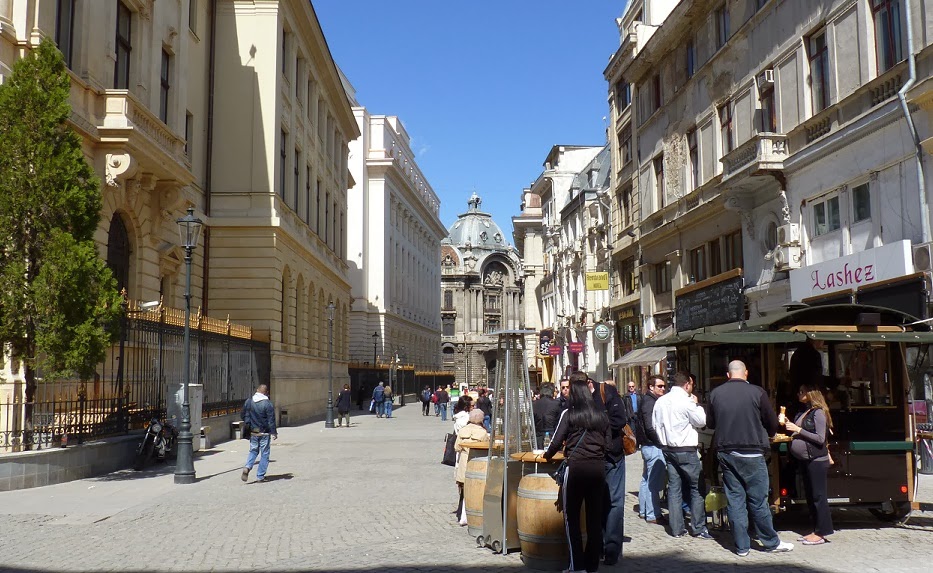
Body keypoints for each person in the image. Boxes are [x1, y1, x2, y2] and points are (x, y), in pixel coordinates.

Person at [708, 360, 793, 556]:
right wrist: (770, 432)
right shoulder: (757, 392)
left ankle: (741, 546)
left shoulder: (715, 393)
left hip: (727, 452)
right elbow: (771, 422)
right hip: (753, 452)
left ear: (728, 375)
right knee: (758, 500)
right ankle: (770, 542)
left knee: (735, 499)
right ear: (745, 373)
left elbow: (710, 423)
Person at [544, 371, 610, 573]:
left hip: (576, 468)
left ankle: (577, 565)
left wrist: (547, 455)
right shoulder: (601, 415)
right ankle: (592, 565)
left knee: (571, 518)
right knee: (594, 518)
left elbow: (556, 441)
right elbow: (607, 444)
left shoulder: (569, 414)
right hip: (597, 469)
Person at [652, 372, 713, 540]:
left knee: (674, 488)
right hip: (686, 449)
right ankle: (698, 527)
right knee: (696, 487)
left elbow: (655, 424)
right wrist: (696, 404)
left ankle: (677, 528)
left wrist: (664, 441)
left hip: (669, 449)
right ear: (687, 384)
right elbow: (701, 421)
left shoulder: (661, 401)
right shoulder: (686, 401)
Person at [783, 384, 834, 545]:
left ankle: (822, 531)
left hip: (816, 460)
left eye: (802, 391)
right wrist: (788, 423)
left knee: (819, 496)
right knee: (811, 496)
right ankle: (815, 529)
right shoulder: (806, 411)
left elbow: (819, 438)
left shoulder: (818, 412)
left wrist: (798, 430)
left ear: (811, 394)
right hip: (806, 460)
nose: (799, 394)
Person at [600, 380, 631, 566]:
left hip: (607, 455)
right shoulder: (609, 394)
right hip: (610, 455)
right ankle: (609, 547)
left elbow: (620, 420)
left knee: (608, 501)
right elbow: (620, 420)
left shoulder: (605, 395)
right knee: (613, 501)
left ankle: (605, 547)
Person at [636, 375, 666, 524]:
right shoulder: (649, 402)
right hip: (652, 445)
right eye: (659, 386)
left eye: (663, 386)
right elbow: (649, 426)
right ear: (651, 387)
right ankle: (653, 514)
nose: (663, 389)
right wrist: (661, 442)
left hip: (648, 445)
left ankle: (643, 511)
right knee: (652, 482)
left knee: (646, 479)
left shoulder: (650, 400)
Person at [454, 409, 489, 526]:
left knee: (463, 489)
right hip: (476, 462)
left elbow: (457, 447)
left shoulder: (463, 430)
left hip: (464, 461)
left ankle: (461, 513)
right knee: (475, 488)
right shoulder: (483, 432)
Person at [241, 384, 278, 483]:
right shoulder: (267, 404)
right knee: (265, 453)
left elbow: (243, 415)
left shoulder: (249, 401)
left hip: (253, 432)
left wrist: (249, 423)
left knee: (253, 450)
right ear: (266, 392)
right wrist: (274, 432)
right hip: (264, 433)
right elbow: (271, 420)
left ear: (257, 390)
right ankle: (260, 476)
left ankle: (247, 467)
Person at [532, 382, 561, 447]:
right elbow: (559, 421)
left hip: (538, 436)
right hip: (553, 436)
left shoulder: (534, 404)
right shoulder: (556, 404)